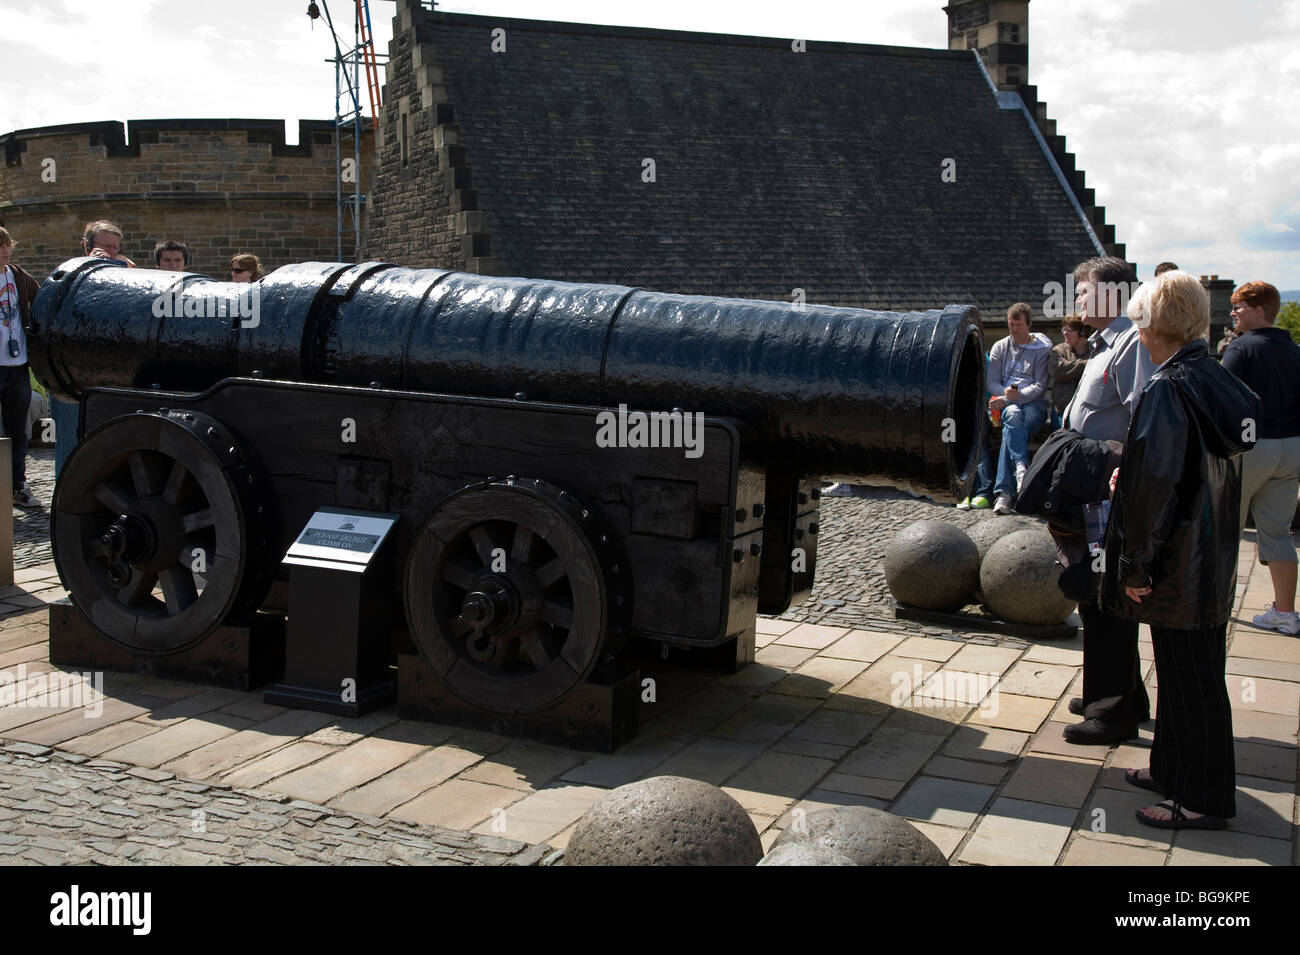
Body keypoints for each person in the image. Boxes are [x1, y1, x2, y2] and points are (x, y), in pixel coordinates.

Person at [1101, 270, 1260, 829]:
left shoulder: (1169, 386)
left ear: (1151, 322)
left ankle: (1203, 799)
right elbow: (1182, 468)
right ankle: (1170, 768)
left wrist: (1135, 565)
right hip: (1203, 556)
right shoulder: (1208, 376)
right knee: (1183, 674)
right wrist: (1135, 471)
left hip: (1175, 559)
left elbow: (1160, 486)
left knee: (1194, 685)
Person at [1059, 255, 1156, 745]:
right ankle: (1121, 692)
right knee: (1096, 599)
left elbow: (1143, 418)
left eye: (1083, 291)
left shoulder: (1130, 345)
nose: (1076, 299)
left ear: (1112, 295)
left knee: (1105, 599)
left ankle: (1112, 711)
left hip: (1107, 493)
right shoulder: (1103, 344)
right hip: (1087, 487)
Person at [1221, 281, 1300, 635]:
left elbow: (1221, 400)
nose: (1233, 312)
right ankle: (1285, 612)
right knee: (1279, 533)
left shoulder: (1240, 349)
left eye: (1239, 306)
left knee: (1225, 530)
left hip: (1251, 448)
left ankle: (1217, 606)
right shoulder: (1296, 350)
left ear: (1259, 309)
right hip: (1292, 448)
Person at [986, 302, 1052, 515]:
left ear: (1028, 325)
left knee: (1013, 426)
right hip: (1009, 404)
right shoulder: (1000, 347)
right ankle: (1021, 470)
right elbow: (992, 382)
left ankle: (1004, 494)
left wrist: (1012, 398)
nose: (1014, 330)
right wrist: (1007, 397)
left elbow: (1040, 385)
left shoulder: (1041, 347)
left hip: (1033, 404)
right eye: (1011, 325)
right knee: (1013, 417)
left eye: (1018, 325)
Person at [0, 227, 43, 508]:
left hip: (17, 366)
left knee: (18, 432)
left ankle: (18, 485)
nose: (5, 250)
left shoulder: (18, 276)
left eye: (7, 245)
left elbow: (42, 299)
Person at [1050, 314, 1089, 421]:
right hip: (1062, 411)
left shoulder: (1094, 350)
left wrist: (1069, 366)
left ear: (1082, 332)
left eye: (1070, 330)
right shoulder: (1059, 350)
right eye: (1064, 329)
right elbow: (1055, 370)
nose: (1065, 333)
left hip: (1087, 411)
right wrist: (1086, 364)